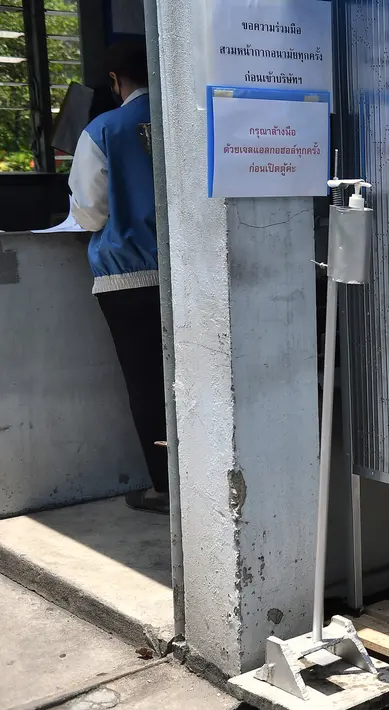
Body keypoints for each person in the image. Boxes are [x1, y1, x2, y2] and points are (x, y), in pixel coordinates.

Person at [68, 40, 168, 515]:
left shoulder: (102, 130)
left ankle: (165, 489)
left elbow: (90, 215)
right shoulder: (184, 122)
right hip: (188, 277)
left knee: (147, 384)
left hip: (127, 280)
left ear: (114, 81)